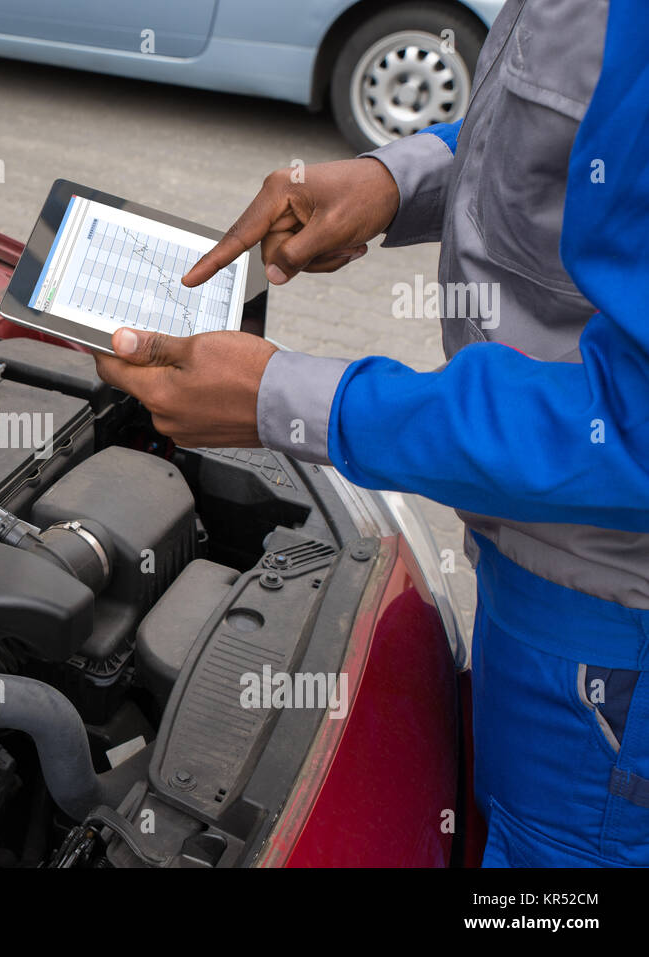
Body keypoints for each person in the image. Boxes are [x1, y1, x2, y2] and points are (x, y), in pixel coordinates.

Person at [94, 0, 649, 866]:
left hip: (610, 641)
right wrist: (396, 180)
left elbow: (634, 426)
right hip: (538, 558)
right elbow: (565, 145)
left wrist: (290, 398)